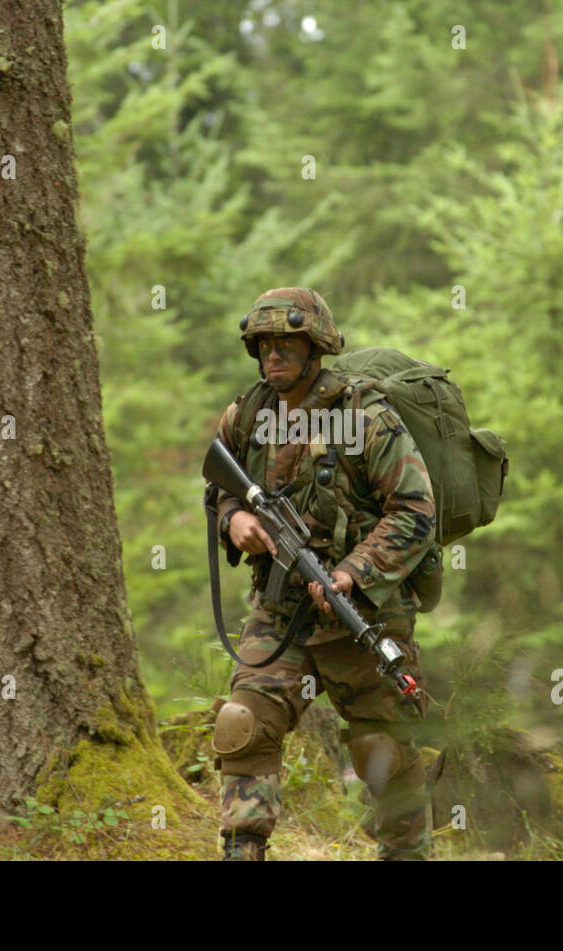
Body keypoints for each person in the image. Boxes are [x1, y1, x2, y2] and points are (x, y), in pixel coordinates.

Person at [209, 286, 437, 861]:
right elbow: (217, 483)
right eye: (264, 346)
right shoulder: (249, 413)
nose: (273, 357)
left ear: (315, 348)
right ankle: (243, 848)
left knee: (385, 749)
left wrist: (352, 573)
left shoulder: (364, 417)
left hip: (360, 612)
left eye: (286, 344)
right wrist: (233, 518)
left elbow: (415, 511)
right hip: (280, 609)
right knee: (242, 723)